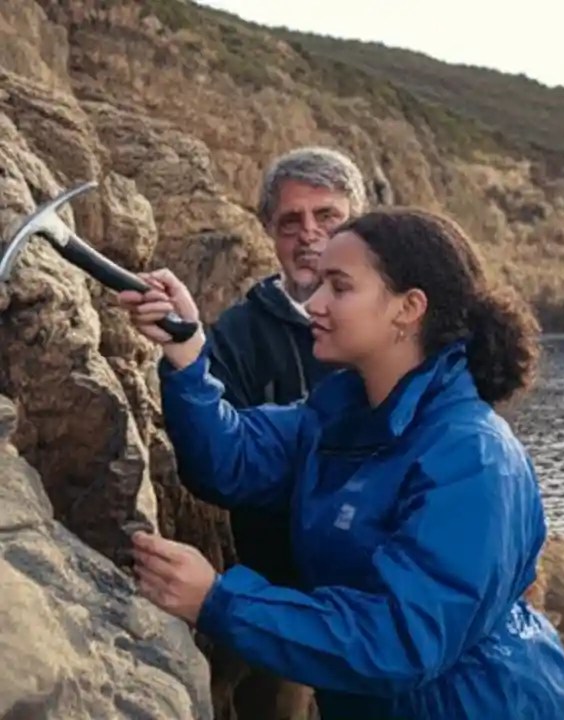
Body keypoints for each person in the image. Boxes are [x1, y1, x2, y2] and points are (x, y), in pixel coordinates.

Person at [118, 208, 564, 718]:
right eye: (319, 285)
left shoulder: (473, 457)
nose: (314, 303)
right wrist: (187, 352)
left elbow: (400, 643)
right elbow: (230, 459)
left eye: (339, 287)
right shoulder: (339, 418)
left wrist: (218, 602)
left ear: (408, 308)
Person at [202, 145, 368, 716]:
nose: (309, 234)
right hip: (278, 593)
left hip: (376, 593)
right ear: (269, 231)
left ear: (358, 226)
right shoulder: (237, 334)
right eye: (290, 221)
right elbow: (222, 464)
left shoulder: (392, 321)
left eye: (328, 217)